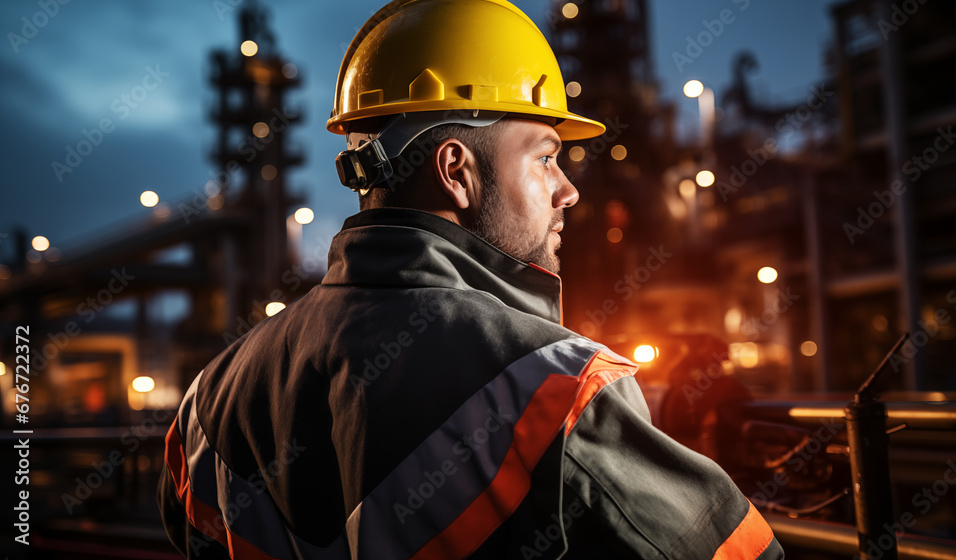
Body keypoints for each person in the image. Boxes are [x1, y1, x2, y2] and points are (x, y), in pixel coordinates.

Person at [157, 0, 784, 558]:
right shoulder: (558, 388)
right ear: (457, 171)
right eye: (544, 157)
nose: (568, 190)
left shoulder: (205, 406)